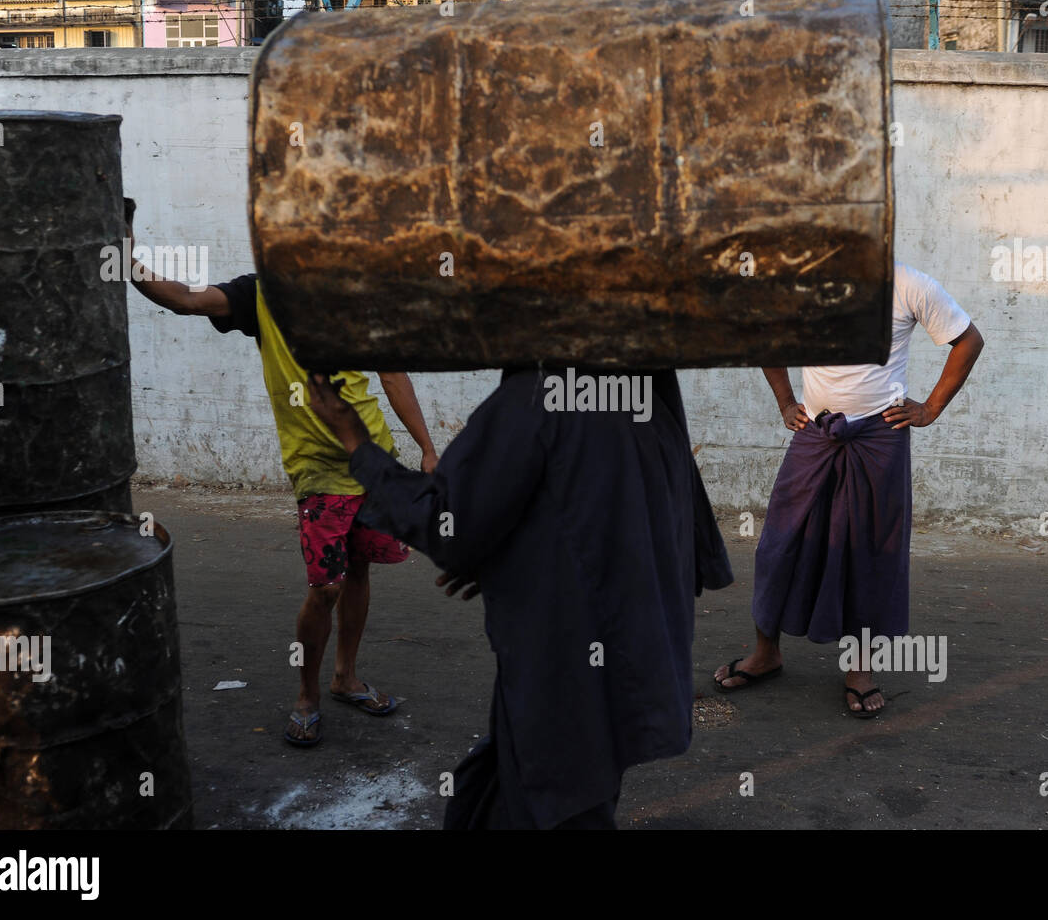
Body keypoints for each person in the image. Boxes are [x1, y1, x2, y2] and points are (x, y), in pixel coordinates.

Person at [306, 366, 734, 829]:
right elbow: (586, 501)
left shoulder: (537, 396)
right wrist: (504, 556)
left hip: (563, 669)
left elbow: (447, 524)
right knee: (543, 791)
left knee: (556, 801)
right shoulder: (640, 389)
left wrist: (355, 441)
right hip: (630, 652)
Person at [123, 211, 439, 748]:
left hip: (372, 460)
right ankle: (307, 696)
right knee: (327, 586)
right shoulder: (260, 296)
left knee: (359, 571)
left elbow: (391, 375)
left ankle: (345, 677)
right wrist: (124, 252)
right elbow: (184, 299)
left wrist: (427, 448)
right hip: (317, 470)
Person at [714, 262, 984, 718]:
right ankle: (766, 653)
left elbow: (968, 340)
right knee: (780, 544)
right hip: (815, 434)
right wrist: (785, 401)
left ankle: (860, 670)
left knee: (869, 550)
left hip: (880, 437)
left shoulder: (910, 285)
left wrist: (931, 407)